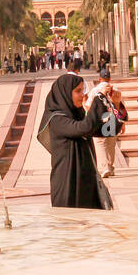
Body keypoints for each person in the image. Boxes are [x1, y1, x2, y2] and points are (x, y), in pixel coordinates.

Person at [37, 72, 108, 208]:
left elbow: (107, 131)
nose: (82, 95)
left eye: (83, 90)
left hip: (86, 184)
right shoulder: (56, 119)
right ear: (65, 94)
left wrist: (114, 105)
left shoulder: (78, 116)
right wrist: (99, 98)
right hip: (68, 185)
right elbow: (84, 128)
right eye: (78, 91)